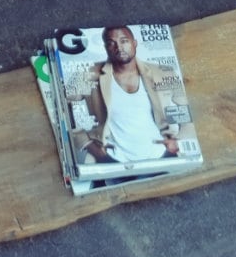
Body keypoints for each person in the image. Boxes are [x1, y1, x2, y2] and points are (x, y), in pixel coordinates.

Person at [75, 25, 181, 166]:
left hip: (162, 155)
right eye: (111, 43)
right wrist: (88, 144)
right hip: (113, 159)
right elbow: (62, 106)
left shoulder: (162, 72)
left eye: (124, 41)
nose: (119, 47)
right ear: (105, 47)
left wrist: (178, 140)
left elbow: (185, 110)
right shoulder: (88, 74)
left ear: (134, 43)